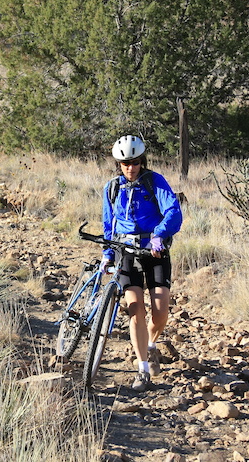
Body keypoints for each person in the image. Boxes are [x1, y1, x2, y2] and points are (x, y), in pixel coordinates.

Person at [100, 135, 182, 392]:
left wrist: (160, 233)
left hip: (154, 250)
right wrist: (108, 254)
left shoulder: (154, 181)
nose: (130, 168)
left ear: (141, 161)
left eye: (134, 162)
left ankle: (150, 343)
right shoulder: (111, 188)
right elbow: (108, 223)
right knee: (135, 308)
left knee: (160, 313)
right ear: (118, 164)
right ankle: (142, 368)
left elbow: (173, 210)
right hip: (127, 250)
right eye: (125, 163)